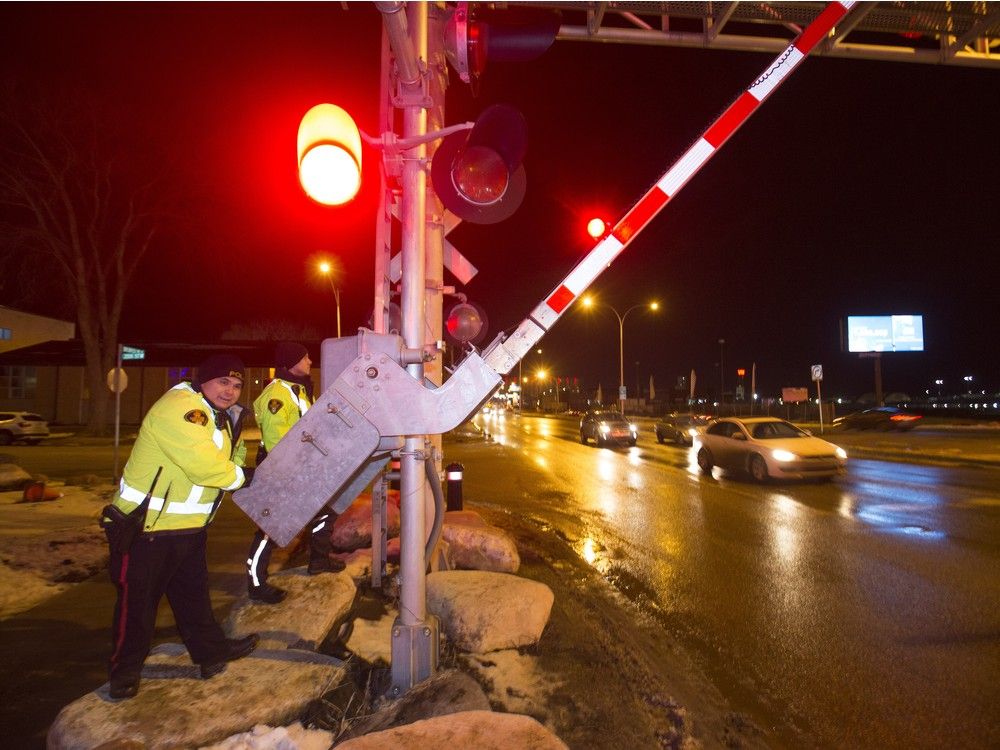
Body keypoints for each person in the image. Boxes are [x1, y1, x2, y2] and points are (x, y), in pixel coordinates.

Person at [103, 354, 259, 701]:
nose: (230, 391)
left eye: (237, 385)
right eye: (223, 381)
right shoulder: (182, 408)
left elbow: (228, 458)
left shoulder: (220, 416)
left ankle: (210, 653)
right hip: (145, 529)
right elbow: (203, 466)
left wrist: (238, 461)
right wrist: (245, 477)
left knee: (193, 599)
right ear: (203, 380)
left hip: (188, 527)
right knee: (138, 606)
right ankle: (124, 672)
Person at [246, 341, 344, 604]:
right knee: (271, 526)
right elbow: (278, 442)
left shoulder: (298, 390)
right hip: (282, 467)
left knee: (325, 512)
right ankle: (256, 583)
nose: (310, 361)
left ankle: (319, 561)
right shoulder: (277, 395)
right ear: (292, 362)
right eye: (305, 357)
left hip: (302, 465)